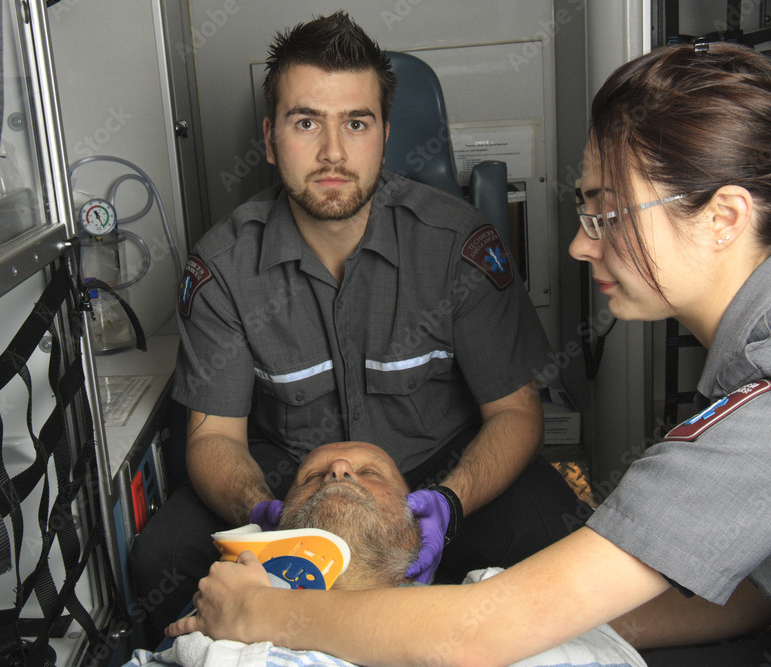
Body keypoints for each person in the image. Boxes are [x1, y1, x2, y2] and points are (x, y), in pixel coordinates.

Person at [166, 41, 771, 666]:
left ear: (723, 218)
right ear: (270, 136)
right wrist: (528, 609)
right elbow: (756, 589)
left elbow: (478, 632)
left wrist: (271, 611)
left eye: (606, 211)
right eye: (585, 207)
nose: (578, 243)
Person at [129, 10, 587, 645]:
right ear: (270, 138)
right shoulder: (224, 267)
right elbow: (213, 439)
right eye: (306, 121)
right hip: (293, 481)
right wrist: (267, 518)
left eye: (357, 123)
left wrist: (449, 506)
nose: (333, 153)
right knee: (163, 562)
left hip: (437, 469)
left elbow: (515, 413)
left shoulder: (458, 246)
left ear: (386, 133)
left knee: (557, 536)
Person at [124, 443, 644, 667]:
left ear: (421, 534)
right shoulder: (212, 618)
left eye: (371, 474)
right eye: (312, 479)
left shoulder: (499, 595)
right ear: (275, 525)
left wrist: (257, 613)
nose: (341, 471)